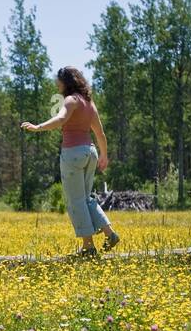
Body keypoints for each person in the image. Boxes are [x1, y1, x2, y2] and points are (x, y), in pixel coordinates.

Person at [21, 66, 120, 257]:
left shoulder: (71, 100)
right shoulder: (89, 103)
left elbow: (60, 118)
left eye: (58, 80)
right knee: (86, 198)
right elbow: (100, 133)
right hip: (90, 153)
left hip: (72, 154)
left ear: (66, 82)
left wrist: (37, 127)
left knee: (76, 201)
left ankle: (88, 247)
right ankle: (109, 234)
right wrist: (104, 155)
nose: (56, 83)